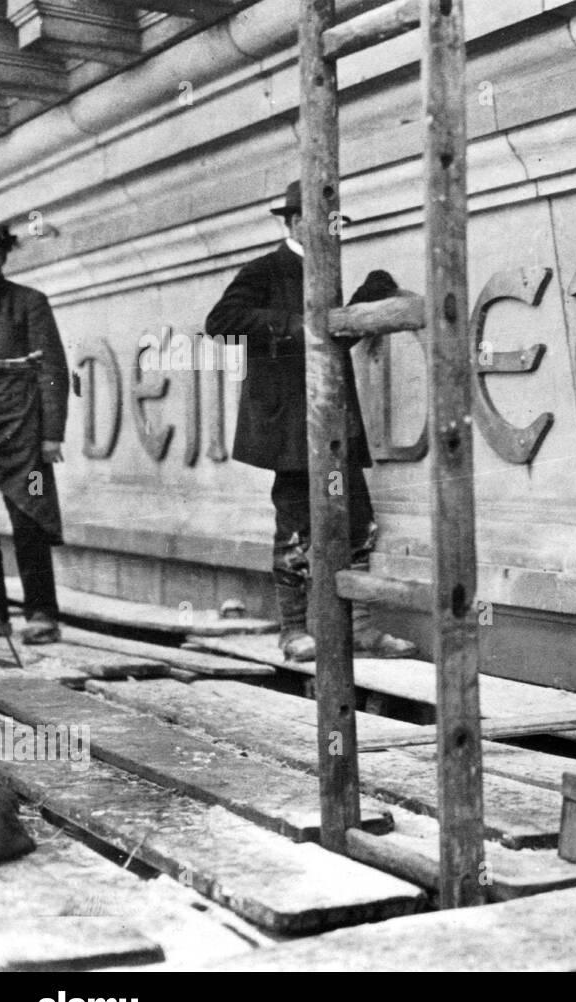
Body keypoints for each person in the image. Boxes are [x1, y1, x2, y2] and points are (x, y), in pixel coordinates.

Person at [206, 181, 416, 662]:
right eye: (323, 220)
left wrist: (370, 295)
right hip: (290, 427)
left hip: (334, 424)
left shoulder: (326, 271)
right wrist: (296, 325)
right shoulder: (266, 269)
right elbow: (221, 321)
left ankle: (360, 628)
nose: (331, 229)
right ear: (295, 222)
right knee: (296, 525)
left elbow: (333, 340)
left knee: (358, 521)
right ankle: (294, 630)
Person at [0, 220, 68, 646]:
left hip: (26, 444)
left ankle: (41, 613)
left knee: (32, 516)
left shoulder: (30, 303)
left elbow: (52, 371)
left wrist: (51, 434)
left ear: (3, 257)